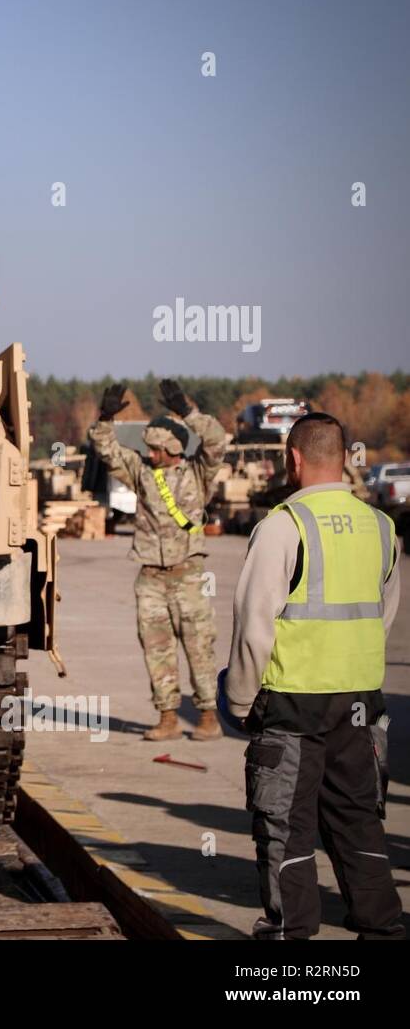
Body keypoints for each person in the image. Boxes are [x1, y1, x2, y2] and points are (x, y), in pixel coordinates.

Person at [225, 412, 403, 940]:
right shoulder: (381, 526)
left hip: (294, 706)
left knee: (287, 834)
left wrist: (238, 701)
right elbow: (382, 613)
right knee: (359, 827)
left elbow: (254, 628)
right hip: (361, 705)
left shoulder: (284, 525)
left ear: (294, 459)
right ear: (348, 460)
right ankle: (386, 931)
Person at [89, 379, 228, 740]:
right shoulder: (141, 472)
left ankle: (208, 716)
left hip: (188, 573)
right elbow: (105, 449)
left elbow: (216, 441)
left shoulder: (198, 473)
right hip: (150, 576)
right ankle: (167, 716)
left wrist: (189, 413)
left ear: (170, 448)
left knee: (199, 646)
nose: (149, 454)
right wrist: (104, 417)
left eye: (155, 448)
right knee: (156, 648)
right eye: (148, 448)